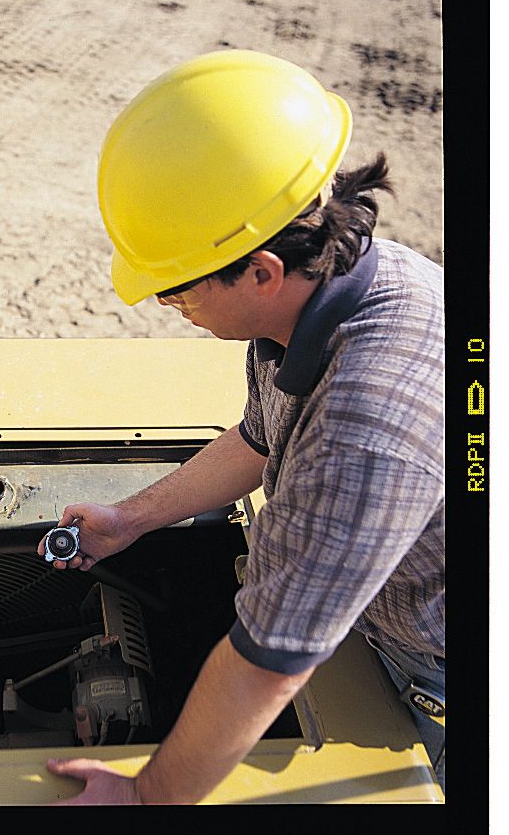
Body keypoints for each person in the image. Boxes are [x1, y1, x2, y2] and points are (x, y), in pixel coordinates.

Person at [37, 49, 444, 803]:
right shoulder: (338, 281)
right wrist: (131, 519)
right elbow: (262, 437)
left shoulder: (367, 428)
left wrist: (144, 797)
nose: (169, 308)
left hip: (435, 675)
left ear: (259, 271)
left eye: (173, 292)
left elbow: (270, 660)